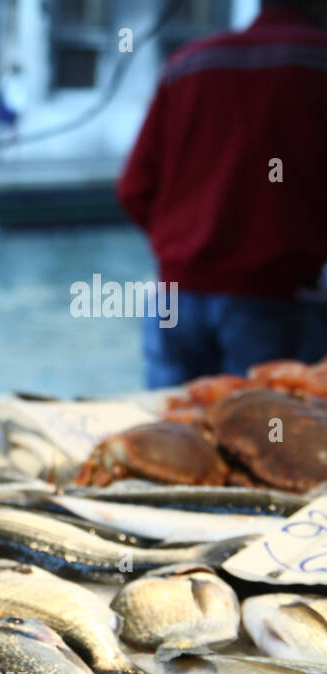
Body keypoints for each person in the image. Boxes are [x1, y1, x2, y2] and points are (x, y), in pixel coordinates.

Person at [117, 0, 327, 387]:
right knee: (269, 439)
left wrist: (185, 245)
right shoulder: (317, 62)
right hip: (274, 297)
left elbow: (134, 188)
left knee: (169, 433)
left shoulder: (187, 64)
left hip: (175, 298)